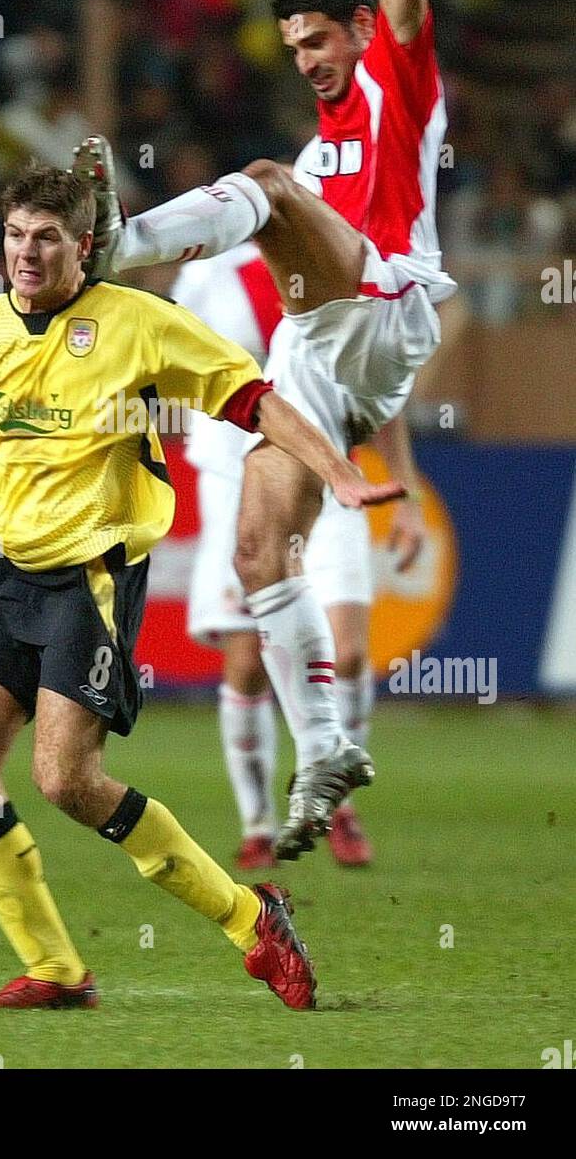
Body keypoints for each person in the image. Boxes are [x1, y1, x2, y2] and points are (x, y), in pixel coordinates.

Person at [0, 165, 402, 1013]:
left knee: (65, 779)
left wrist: (337, 473)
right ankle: (57, 969)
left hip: (90, 576)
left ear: (84, 245)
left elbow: (257, 399)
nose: (27, 254)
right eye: (16, 236)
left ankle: (253, 921)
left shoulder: (138, 322)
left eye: (47, 239)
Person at [71, 0, 455, 859]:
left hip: (383, 302)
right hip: (320, 350)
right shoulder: (324, 136)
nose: (308, 62)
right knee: (255, 548)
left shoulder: (400, 83)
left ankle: (119, 241)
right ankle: (326, 748)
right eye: (293, 50)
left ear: (357, 33)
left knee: (265, 182)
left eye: (320, 43)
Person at [173, 245, 426, 870]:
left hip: (327, 468)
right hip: (238, 475)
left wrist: (409, 498)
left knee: (353, 648)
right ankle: (257, 823)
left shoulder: (346, 268)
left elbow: (383, 396)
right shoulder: (208, 275)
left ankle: (338, 802)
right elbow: (163, 357)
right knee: (247, 664)